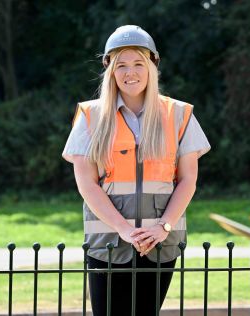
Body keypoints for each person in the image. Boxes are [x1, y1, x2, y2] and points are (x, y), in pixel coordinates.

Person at [62, 25, 210, 315]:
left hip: (161, 242)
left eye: (139, 64)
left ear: (153, 66)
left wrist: (162, 227)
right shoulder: (90, 116)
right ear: (110, 71)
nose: (131, 73)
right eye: (122, 66)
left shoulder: (179, 114)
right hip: (107, 242)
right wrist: (125, 231)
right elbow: (87, 183)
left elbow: (188, 179)